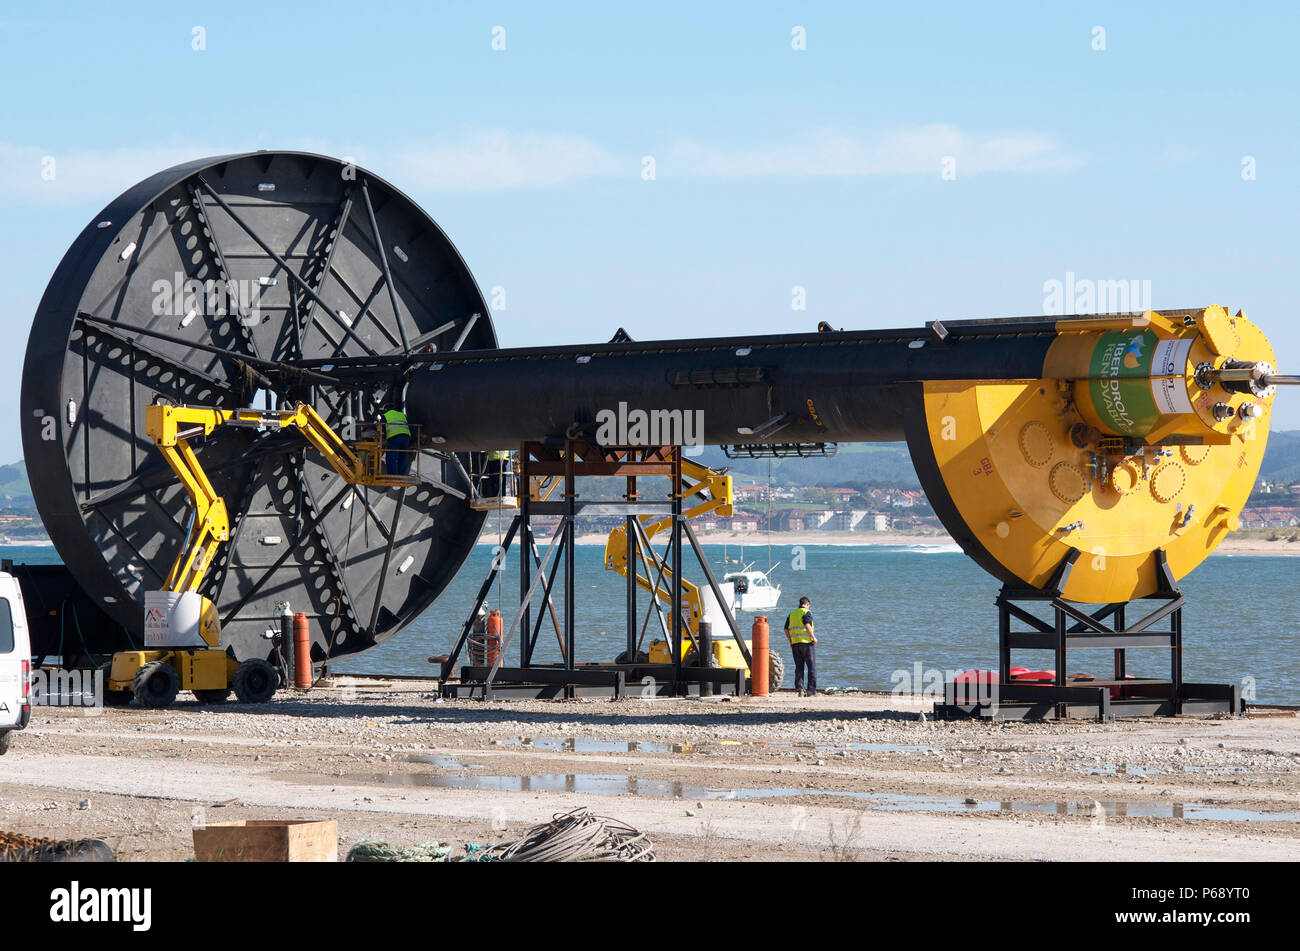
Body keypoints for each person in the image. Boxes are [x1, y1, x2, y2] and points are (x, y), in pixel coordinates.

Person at [784, 596, 817, 697]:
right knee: (811, 667)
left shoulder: (792, 614)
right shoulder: (806, 612)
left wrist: (791, 641)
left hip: (795, 644)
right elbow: (807, 625)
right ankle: (811, 691)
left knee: (799, 667)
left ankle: (800, 689)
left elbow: (786, 629)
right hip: (806, 644)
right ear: (808, 604)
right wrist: (813, 637)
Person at [382, 399, 411, 476]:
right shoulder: (401, 415)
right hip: (406, 437)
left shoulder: (386, 415)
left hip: (394, 437)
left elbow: (381, 428)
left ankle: (393, 475)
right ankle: (401, 475)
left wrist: (384, 437)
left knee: (392, 457)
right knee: (403, 456)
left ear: (386, 409)